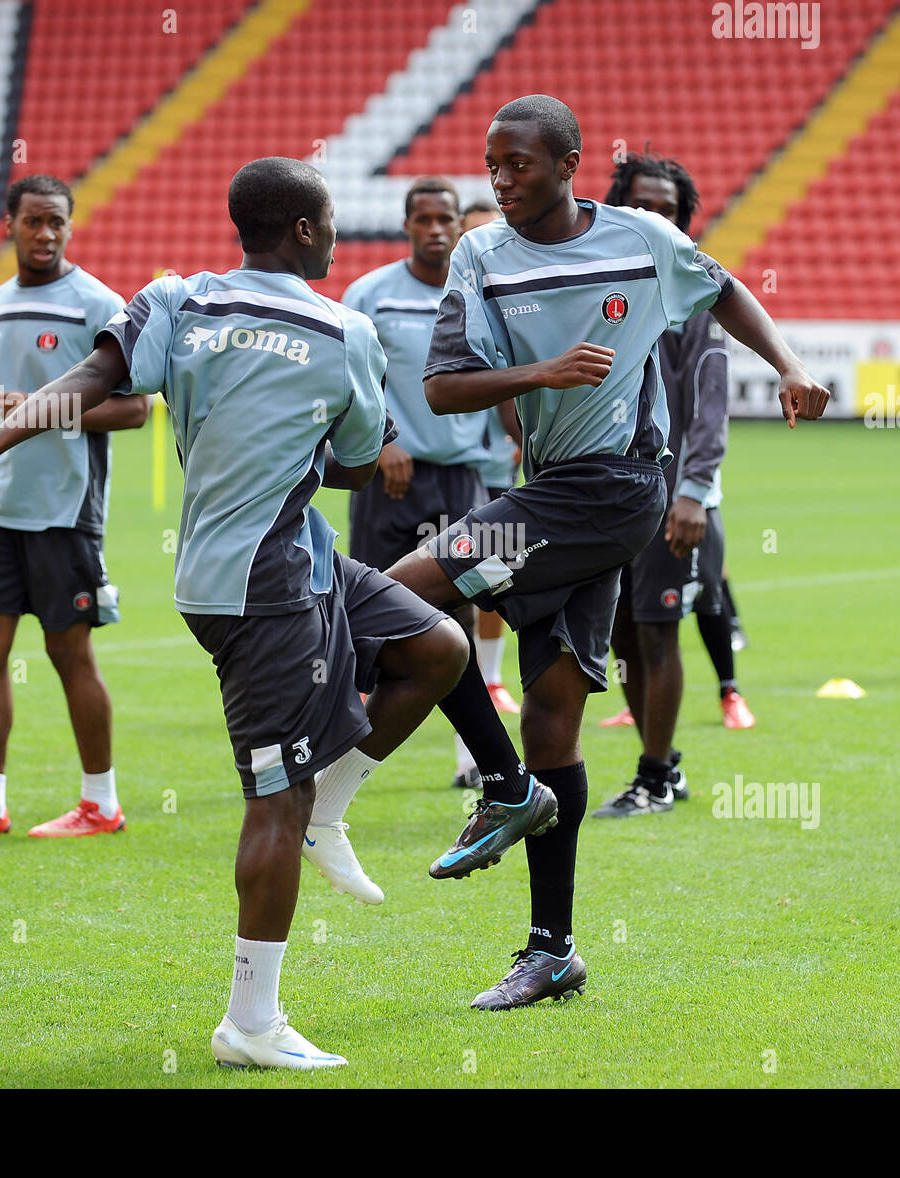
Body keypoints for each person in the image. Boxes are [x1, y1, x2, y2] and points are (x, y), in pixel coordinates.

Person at [0, 157, 469, 1071]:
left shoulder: (177, 300)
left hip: (296, 558)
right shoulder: (346, 329)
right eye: (331, 220)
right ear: (304, 231)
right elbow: (351, 460)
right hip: (255, 586)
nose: (338, 235)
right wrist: (320, 434)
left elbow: (92, 378)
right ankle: (250, 1023)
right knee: (272, 795)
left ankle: (328, 810)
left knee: (437, 646)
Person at [334, 95, 830, 1010]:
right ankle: (552, 950)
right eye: (493, 165)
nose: (502, 181)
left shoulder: (642, 238)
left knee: (403, 589)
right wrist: (543, 374)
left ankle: (501, 786)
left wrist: (790, 363)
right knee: (553, 711)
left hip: (617, 486)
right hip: (555, 487)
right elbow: (444, 388)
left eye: (519, 165)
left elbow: (722, 288)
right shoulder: (482, 253)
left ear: (567, 165)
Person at [0, 175, 150, 843]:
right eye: (34, 222)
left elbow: (134, 407)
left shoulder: (98, 302)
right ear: (10, 225)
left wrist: (41, 413)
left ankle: (100, 803)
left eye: (57, 223)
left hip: (64, 509)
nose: (45, 235)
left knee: (66, 650)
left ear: (70, 228)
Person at [594, 151, 756, 819]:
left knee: (658, 630)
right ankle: (666, 770)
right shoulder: (601, 284)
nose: (653, 216)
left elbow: (710, 405)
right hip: (608, 488)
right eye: (640, 204)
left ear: (683, 219)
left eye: (666, 207)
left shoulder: (695, 298)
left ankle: (655, 776)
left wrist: (694, 491)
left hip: (672, 491)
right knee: (624, 631)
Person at [340, 178, 492, 798]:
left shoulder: (479, 291)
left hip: (459, 480)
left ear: (460, 224)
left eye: (445, 218)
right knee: (361, 617)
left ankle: (471, 757)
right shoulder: (369, 294)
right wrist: (380, 442)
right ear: (406, 224)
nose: (435, 229)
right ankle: (335, 753)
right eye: (423, 219)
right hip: (387, 480)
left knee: (458, 617)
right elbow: (345, 380)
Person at [460, 199, 523, 726]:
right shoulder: (453, 309)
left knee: (492, 577)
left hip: (500, 468)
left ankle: (493, 677)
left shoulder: (516, 304)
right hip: (452, 470)